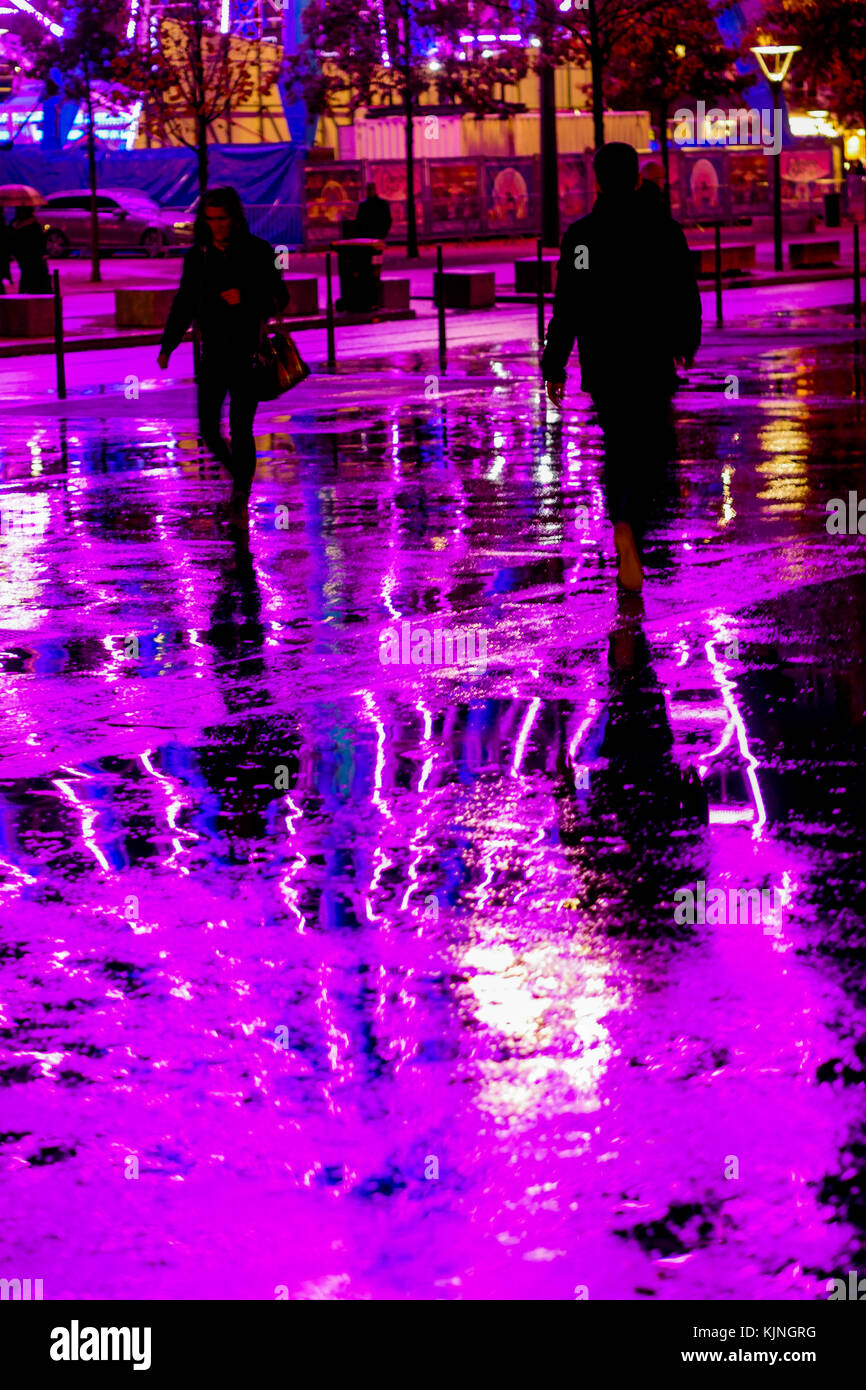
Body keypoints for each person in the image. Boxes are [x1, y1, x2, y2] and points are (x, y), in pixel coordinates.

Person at [542, 142, 701, 592]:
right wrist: (685, 341)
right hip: (651, 358)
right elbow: (684, 291)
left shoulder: (582, 238)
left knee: (618, 445)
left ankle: (621, 522)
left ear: (597, 182)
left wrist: (555, 362)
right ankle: (632, 518)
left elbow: (568, 303)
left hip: (606, 361)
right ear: (637, 179)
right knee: (649, 449)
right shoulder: (663, 232)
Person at [157, 187, 289, 506]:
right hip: (213, 354)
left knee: (241, 428)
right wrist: (168, 344)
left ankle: (241, 494)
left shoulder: (257, 251)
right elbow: (184, 302)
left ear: (235, 217)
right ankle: (240, 475)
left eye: (223, 218)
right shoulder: (199, 256)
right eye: (211, 219)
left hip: (247, 353)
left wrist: (248, 297)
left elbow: (279, 298)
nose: (218, 225)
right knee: (208, 428)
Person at [9, 205, 51, 294]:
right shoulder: (33, 226)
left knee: (28, 282)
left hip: (30, 261)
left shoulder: (20, 226)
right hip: (31, 262)